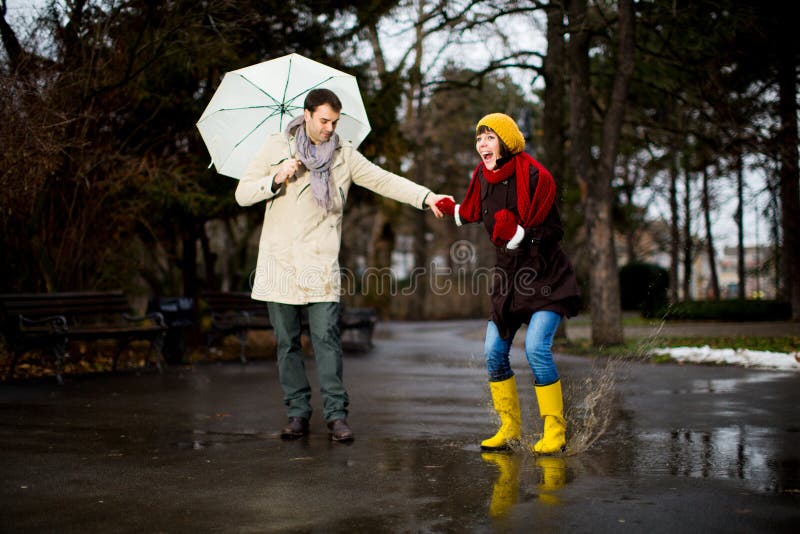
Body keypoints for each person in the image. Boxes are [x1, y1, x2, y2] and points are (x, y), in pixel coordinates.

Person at [235, 88, 451, 442]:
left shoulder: (344, 156)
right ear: (306, 115)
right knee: (286, 342)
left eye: (334, 122)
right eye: (323, 121)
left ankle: (336, 416)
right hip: (280, 261)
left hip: (320, 262)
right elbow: (242, 194)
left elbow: (384, 180)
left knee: (326, 338)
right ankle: (297, 413)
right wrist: (276, 178)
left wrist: (426, 197)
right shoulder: (276, 148)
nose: (330, 129)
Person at [436, 113, 580, 454]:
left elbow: (554, 232)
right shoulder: (482, 177)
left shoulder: (535, 176)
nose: (482, 144)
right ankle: (509, 427)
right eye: (479, 138)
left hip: (545, 275)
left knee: (536, 349)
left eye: (489, 137)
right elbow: (472, 210)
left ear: (506, 141)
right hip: (508, 276)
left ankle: (555, 432)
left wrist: (519, 234)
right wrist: (451, 208)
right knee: (493, 352)